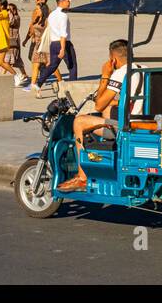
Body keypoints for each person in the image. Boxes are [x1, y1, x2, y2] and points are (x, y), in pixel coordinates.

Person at [57, 39, 144, 191]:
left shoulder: (121, 73)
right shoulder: (143, 69)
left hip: (128, 126)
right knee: (107, 111)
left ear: (113, 59)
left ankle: (82, 177)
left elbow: (98, 104)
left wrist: (105, 75)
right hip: (144, 120)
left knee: (79, 122)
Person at [35, 0, 76, 90]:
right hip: (64, 43)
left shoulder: (52, 14)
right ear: (62, 2)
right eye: (67, 0)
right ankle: (73, 87)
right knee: (72, 67)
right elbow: (63, 33)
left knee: (52, 66)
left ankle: (38, 83)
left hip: (53, 44)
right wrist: (62, 48)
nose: (69, 2)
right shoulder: (63, 16)